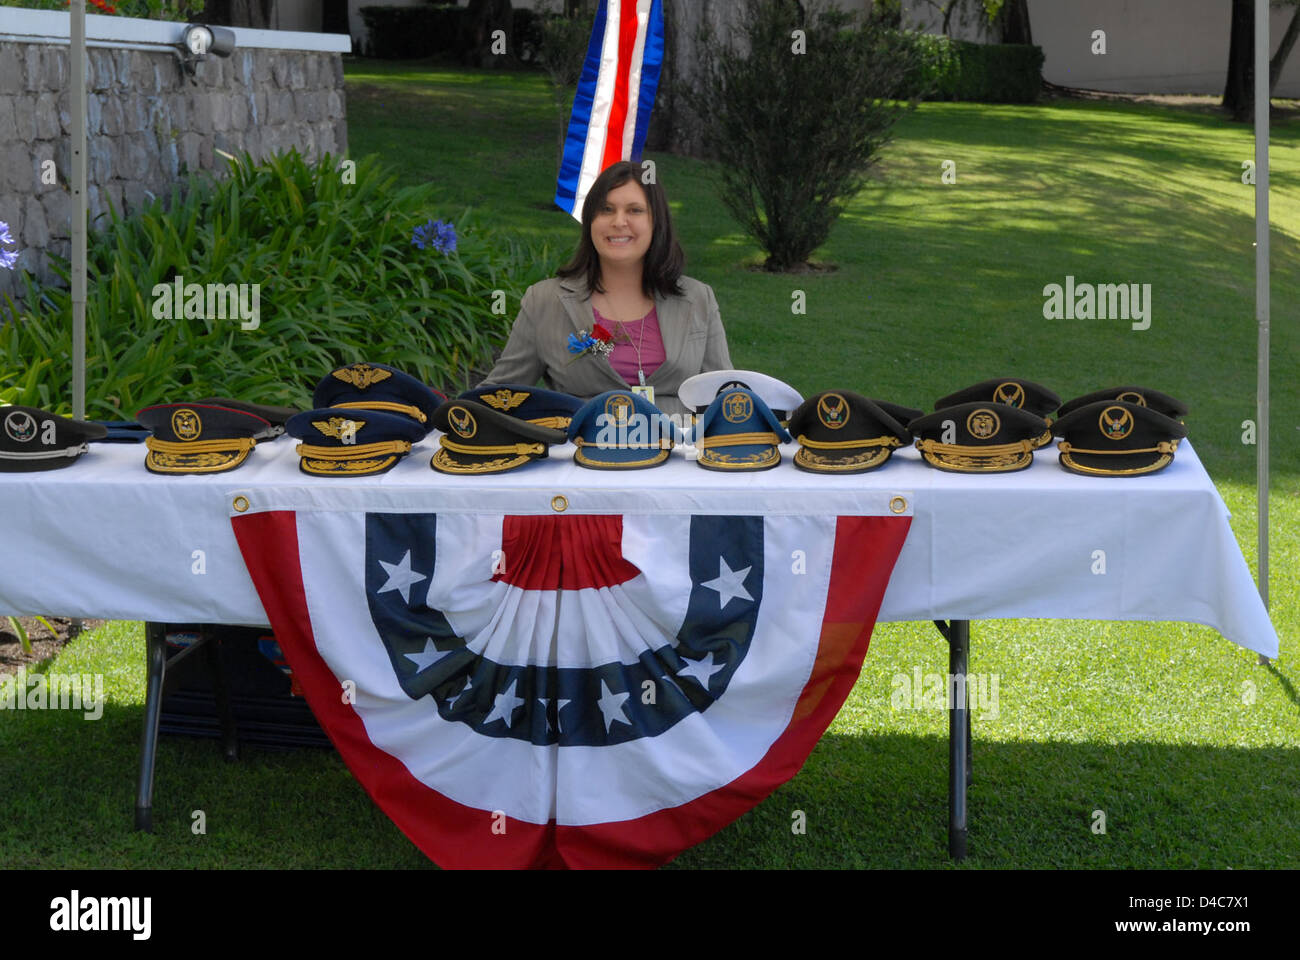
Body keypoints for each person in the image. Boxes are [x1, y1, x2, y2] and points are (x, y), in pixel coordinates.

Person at [481, 161, 731, 418]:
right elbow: (500, 393)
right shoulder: (544, 301)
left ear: (656, 223)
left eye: (634, 210)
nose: (619, 221)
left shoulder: (699, 298)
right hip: (578, 451)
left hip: (677, 451)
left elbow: (725, 395)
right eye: (606, 209)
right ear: (591, 221)